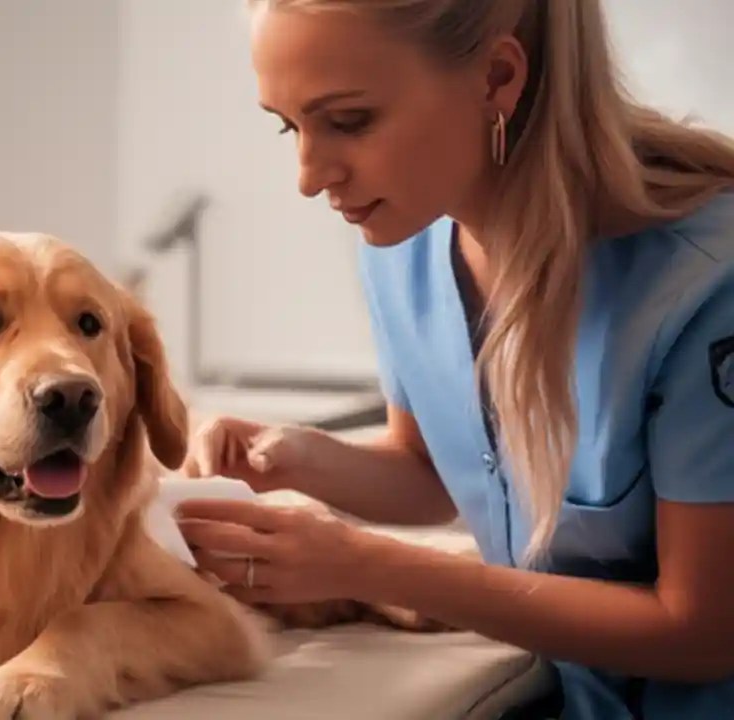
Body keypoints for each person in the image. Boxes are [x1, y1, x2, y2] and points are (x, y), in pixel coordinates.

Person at [174, 1, 734, 718]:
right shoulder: (402, 243)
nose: (308, 178)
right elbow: (435, 472)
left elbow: (703, 632)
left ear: (497, 76)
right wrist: (292, 457)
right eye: (290, 126)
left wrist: (365, 565)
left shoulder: (701, 289)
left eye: (348, 120)